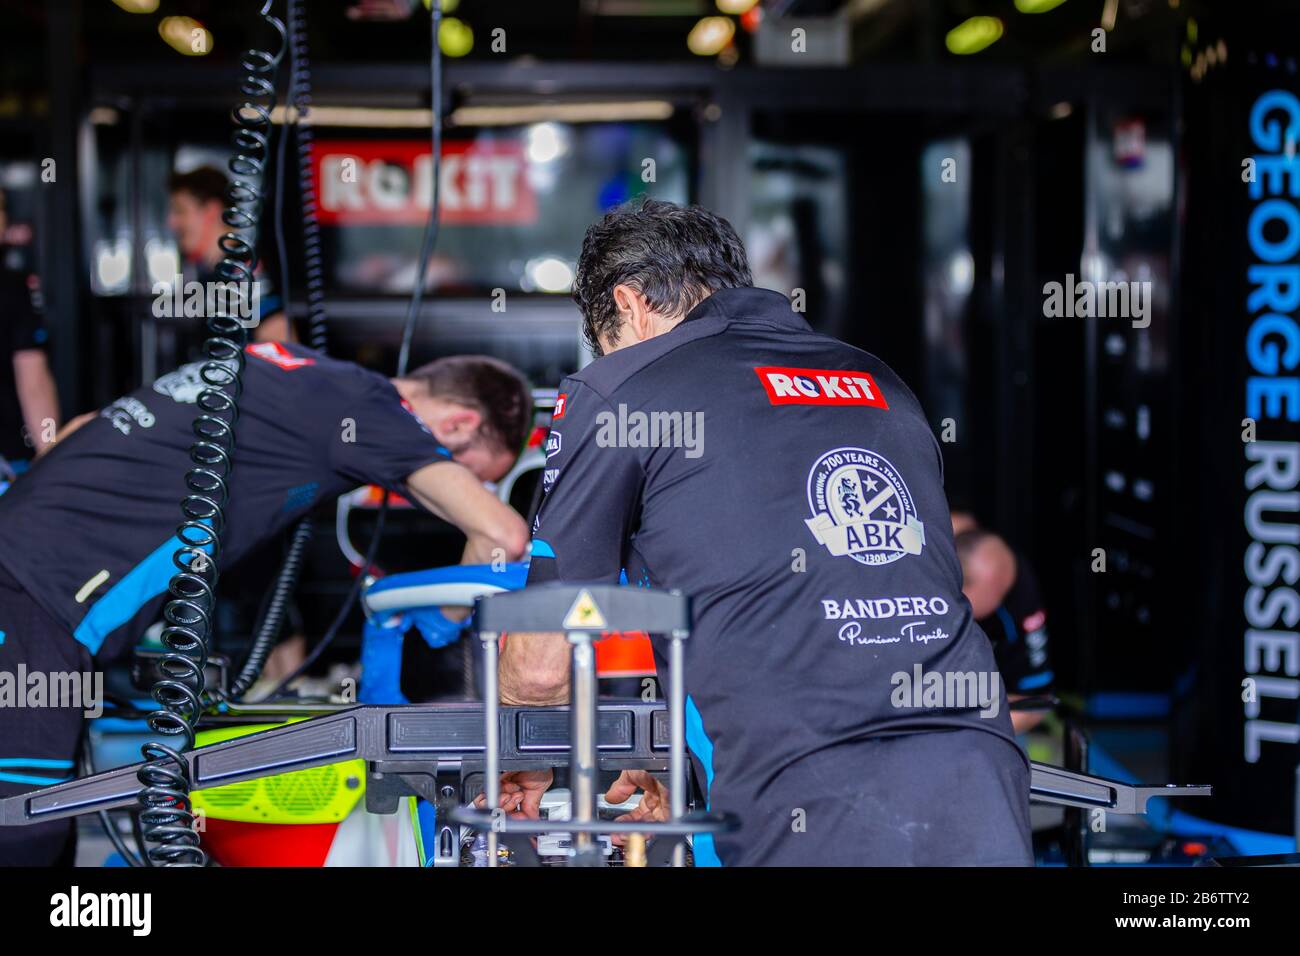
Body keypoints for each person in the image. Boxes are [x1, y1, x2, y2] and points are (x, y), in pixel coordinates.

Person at [490, 199, 1032, 866]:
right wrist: (678, 758)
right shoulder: (878, 380)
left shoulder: (617, 391)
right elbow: (772, 580)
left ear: (627, 305)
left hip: (799, 795)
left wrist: (521, 751)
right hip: (978, 774)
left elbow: (542, 666)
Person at [0, 344, 530, 865]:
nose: (457, 481)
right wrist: (438, 628)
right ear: (459, 424)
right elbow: (501, 534)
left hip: (25, 570)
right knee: (24, 824)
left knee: (50, 814)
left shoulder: (285, 363)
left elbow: (80, 428)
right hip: (35, 600)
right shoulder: (372, 410)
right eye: (474, 473)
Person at [951, 511, 1054, 734]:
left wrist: (967, 731)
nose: (1002, 599)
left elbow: (1036, 702)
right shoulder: (922, 536)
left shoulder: (1021, 598)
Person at [166, 166, 291, 343]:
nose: (172, 222)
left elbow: (281, 337)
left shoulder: (242, 268)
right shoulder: (211, 272)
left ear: (211, 211)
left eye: (180, 211)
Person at [0, 187, 59, 475]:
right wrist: (51, 461)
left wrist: (49, 456)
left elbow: (33, 380)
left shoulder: (14, 287)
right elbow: (32, 382)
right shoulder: (13, 288)